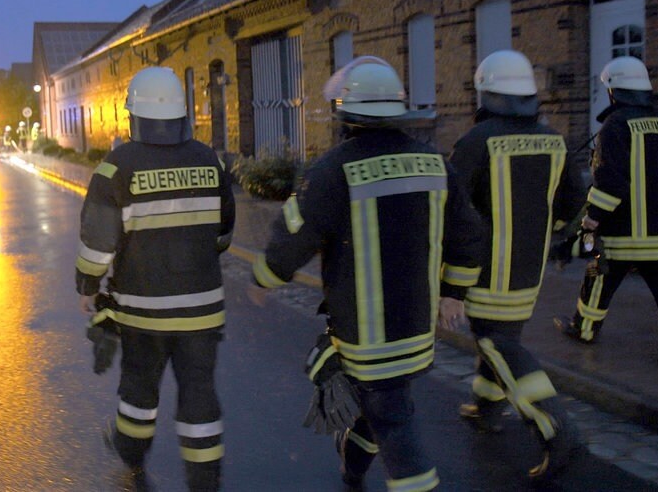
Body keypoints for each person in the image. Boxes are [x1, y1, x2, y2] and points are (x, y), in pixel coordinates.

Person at [250, 56, 483, 491]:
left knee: (394, 422)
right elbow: (469, 234)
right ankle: (352, 469)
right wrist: (454, 293)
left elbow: (296, 234)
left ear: (345, 113)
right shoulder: (435, 163)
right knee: (384, 404)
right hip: (415, 328)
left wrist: (265, 276)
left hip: (365, 335)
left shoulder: (332, 170)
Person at [75, 66, 235, 491]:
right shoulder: (208, 159)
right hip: (202, 310)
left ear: (134, 116)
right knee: (200, 392)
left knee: (140, 389)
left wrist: (88, 288)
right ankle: (206, 479)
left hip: (143, 313)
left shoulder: (116, 168)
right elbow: (224, 232)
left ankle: (130, 453)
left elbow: (97, 243)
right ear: (182, 115)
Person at [449, 49, 585, 481]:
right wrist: (554, 236)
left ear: (485, 92)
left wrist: (445, 272)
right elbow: (572, 205)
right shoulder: (555, 139)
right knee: (501, 338)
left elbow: (451, 209)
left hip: (486, 270)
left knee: (495, 342)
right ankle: (486, 408)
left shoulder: (475, 142)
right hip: (529, 269)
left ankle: (554, 430)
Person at [554, 56, 658, 371]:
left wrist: (592, 218)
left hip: (625, 233)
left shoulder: (614, 127)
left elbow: (610, 181)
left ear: (614, 91)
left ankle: (583, 330)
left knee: (598, 274)